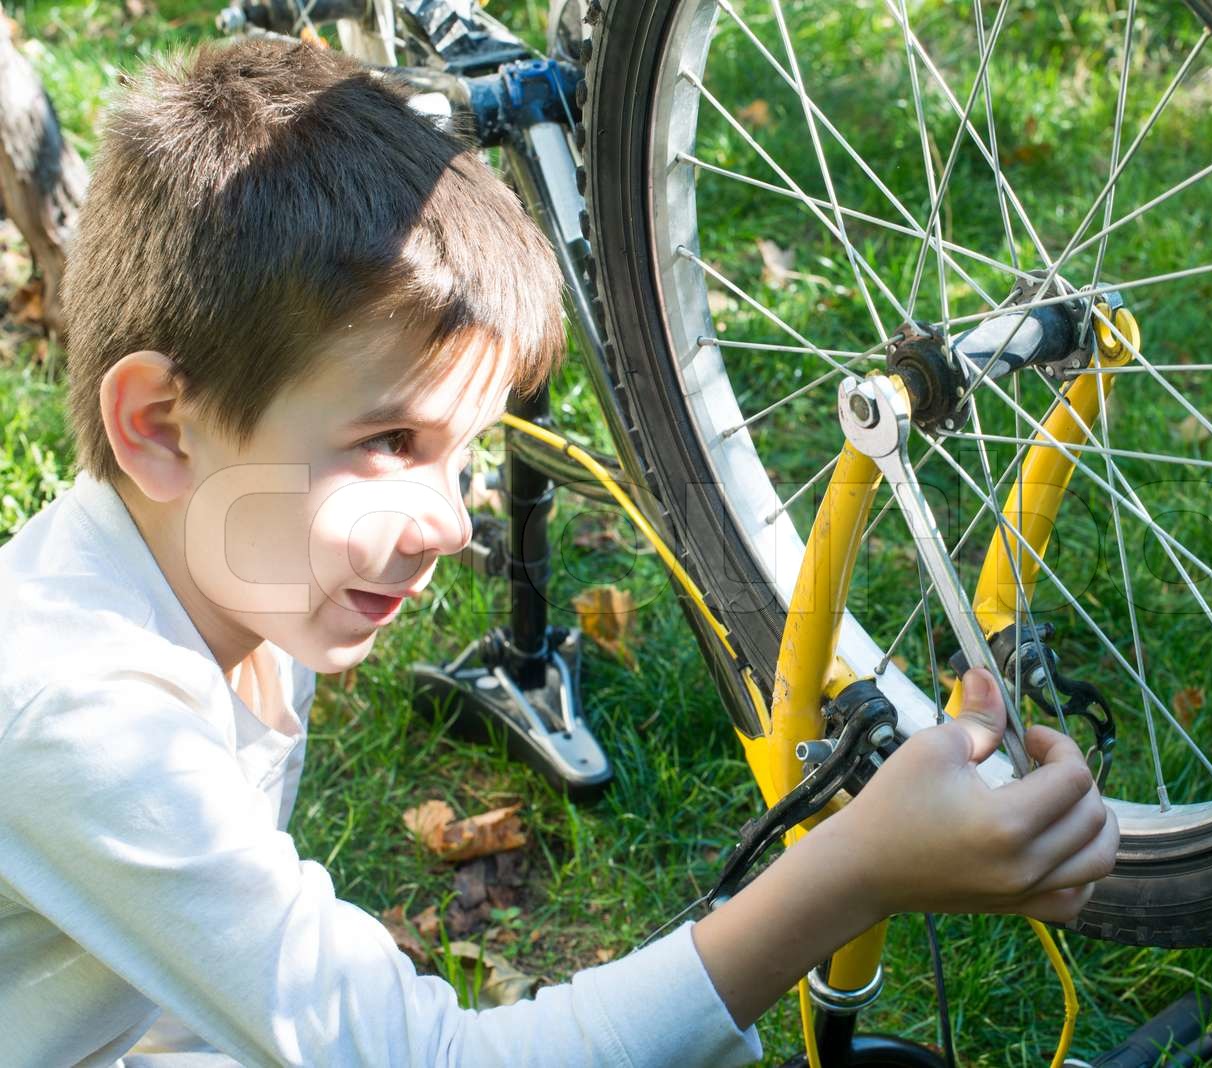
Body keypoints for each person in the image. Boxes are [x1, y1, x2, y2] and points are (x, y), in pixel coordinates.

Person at [0, 37, 1118, 1067]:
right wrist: (854, 873)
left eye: (461, 456)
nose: (451, 526)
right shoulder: (82, 715)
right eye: (389, 443)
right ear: (161, 428)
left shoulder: (228, 577)